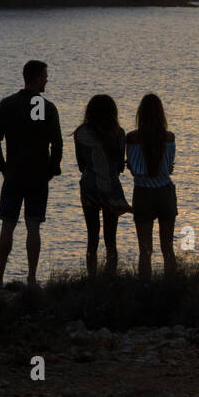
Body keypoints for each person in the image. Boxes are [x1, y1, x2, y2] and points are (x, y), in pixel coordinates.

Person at [0, 60, 61, 290]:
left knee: (7, 225)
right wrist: (51, 170)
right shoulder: (47, 108)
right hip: (38, 177)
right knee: (33, 226)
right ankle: (31, 279)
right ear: (37, 78)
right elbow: (57, 144)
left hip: (14, 175)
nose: (47, 80)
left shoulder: (7, 104)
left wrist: (2, 167)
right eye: (45, 76)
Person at [74, 94, 131, 278]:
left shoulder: (80, 133)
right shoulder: (119, 133)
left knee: (92, 237)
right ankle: (110, 276)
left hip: (89, 187)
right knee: (110, 239)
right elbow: (120, 167)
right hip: (110, 188)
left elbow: (81, 165)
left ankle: (92, 277)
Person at [127, 93, 178, 279]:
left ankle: (145, 286)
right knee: (168, 247)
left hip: (142, 193)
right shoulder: (169, 137)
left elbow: (133, 168)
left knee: (145, 249)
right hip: (165, 191)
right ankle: (170, 285)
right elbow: (169, 167)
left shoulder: (131, 138)